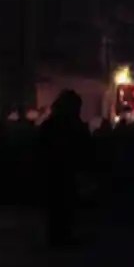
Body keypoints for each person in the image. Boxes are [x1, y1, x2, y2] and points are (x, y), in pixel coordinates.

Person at [38, 90, 92, 246]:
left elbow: (40, 149)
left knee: (57, 207)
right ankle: (63, 235)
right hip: (66, 173)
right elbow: (86, 149)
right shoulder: (75, 126)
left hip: (55, 172)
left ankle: (57, 236)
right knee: (65, 205)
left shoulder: (50, 126)